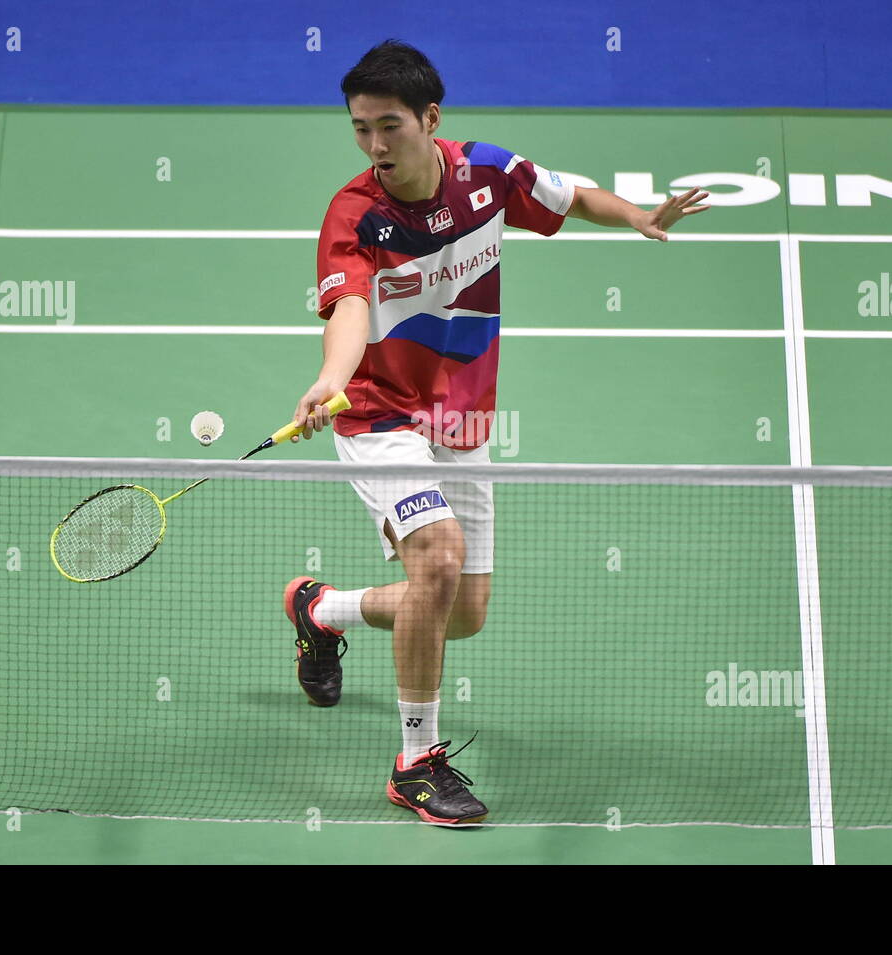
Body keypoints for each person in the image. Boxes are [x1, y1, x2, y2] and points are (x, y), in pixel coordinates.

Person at [284, 40, 709, 824]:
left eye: (389, 127)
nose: (375, 147)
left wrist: (639, 216)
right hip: (380, 412)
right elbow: (347, 307)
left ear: (430, 119)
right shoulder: (356, 214)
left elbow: (568, 195)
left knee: (461, 610)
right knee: (438, 558)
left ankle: (321, 610)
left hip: (463, 413)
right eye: (359, 130)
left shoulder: (486, 173)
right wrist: (331, 380)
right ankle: (417, 761)